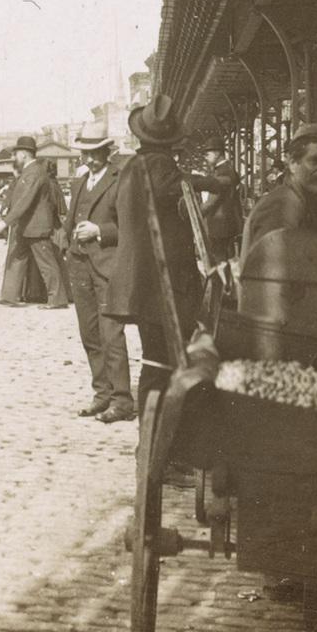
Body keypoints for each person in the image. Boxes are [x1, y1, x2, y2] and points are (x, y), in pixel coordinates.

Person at [106, 95, 201, 413]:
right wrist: (217, 182)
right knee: (166, 366)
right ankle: (159, 446)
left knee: (154, 361)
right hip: (166, 285)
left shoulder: (131, 165)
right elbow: (175, 187)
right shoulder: (160, 165)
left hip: (143, 283)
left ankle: (151, 440)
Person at [63, 122, 134, 422]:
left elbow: (130, 226)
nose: (89, 160)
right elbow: (69, 220)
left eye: (95, 153)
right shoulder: (80, 182)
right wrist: (67, 247)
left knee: (111, 334)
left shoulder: (120, 182)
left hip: (106, 267)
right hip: (79, 264)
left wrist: (99, 231)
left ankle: (122, 401)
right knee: (89, 333)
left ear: (107, 151)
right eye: (85, 154)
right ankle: (102, 394)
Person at [240, 121, 317, 261]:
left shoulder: (308, 201)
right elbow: (271, 274)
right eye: (315, 161)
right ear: (293, 163)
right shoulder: (281, 207)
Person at [0, 136, 67, 309]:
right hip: (27, 226)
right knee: (16, 258)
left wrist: (5, 222)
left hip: (36, 226)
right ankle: (9, 296)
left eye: (16, 153)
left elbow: (25, 200)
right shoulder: (29, 172)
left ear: (24, 154)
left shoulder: (34, 173)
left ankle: (57, 299)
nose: (14, 157)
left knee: (46, 263)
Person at [190, 137, 243, 265]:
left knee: (219, 264)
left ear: (217, 153)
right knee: (230, 262)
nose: (206, 158)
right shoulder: (229, 170)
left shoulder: (222, 173)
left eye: (207, 154)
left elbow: (211, 202)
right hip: (229, 225)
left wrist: (193, 215)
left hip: (219, 226)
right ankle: (228, 284)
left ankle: (221, 285)